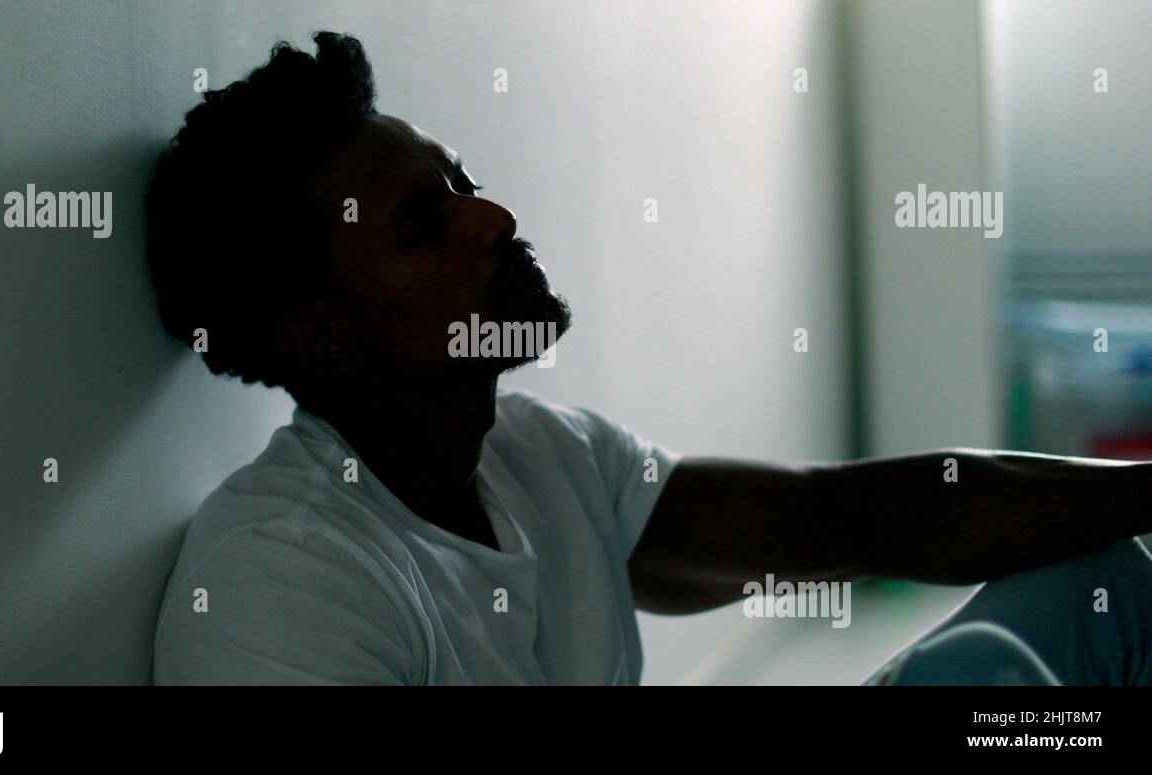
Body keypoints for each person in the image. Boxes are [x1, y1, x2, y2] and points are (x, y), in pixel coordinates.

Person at [146, 32, 1152, 685]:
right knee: (982, 680)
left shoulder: (540, 455)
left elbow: (852, 518)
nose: (492, 219)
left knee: (1109, 581)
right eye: (424, 225)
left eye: (463, 183)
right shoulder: (280, 580)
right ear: (320, 332)